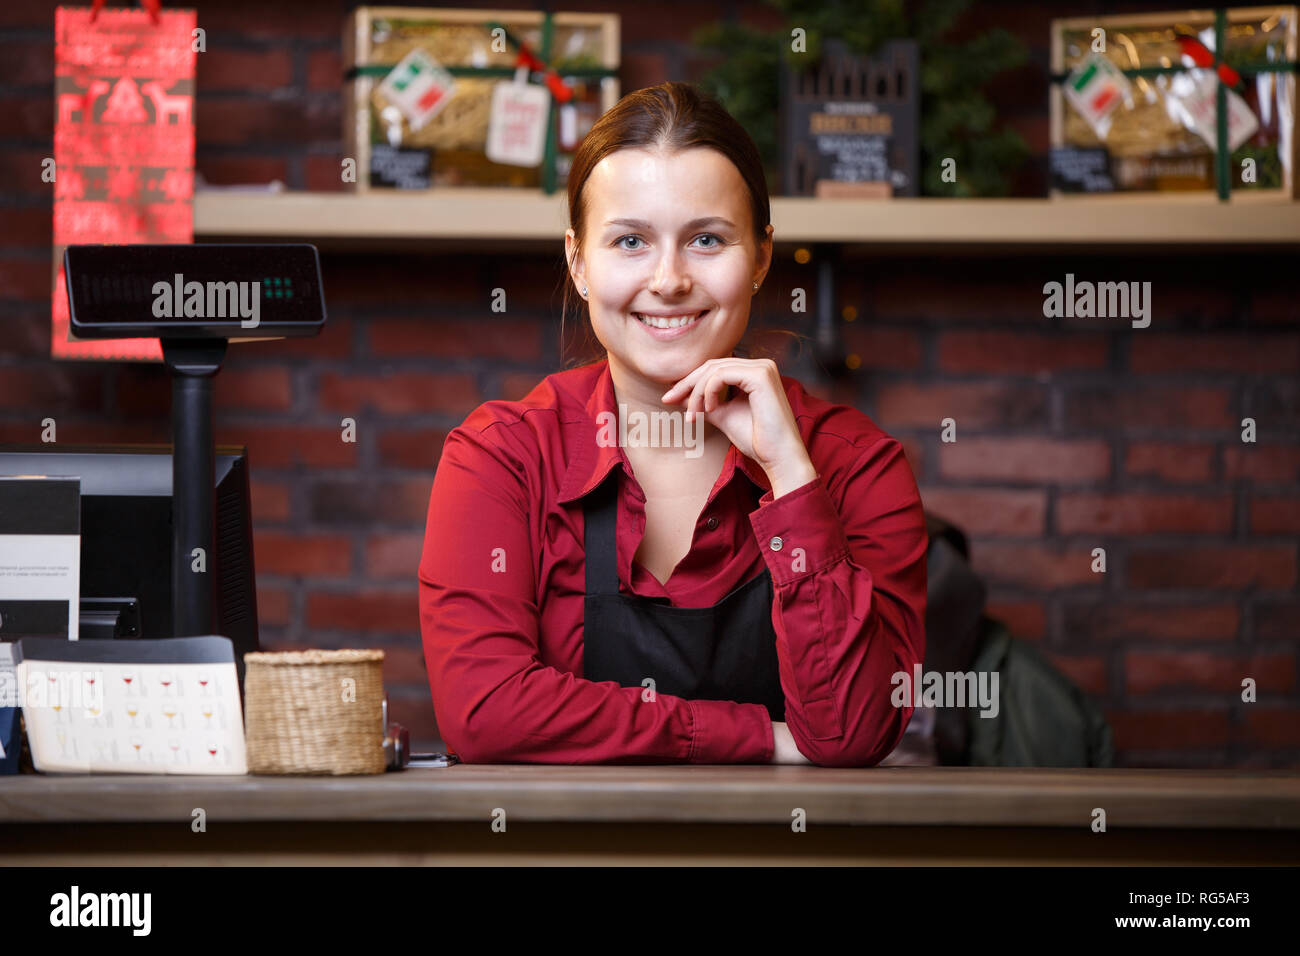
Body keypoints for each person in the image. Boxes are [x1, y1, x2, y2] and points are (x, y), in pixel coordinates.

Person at [419, 81, 927, 766]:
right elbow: (484, 714)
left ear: (762, 257)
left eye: (707, 240)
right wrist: (759, 738)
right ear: (578, 262)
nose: (669, 279)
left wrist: (792, 482)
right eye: (630, 241)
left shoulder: (855, 463)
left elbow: (855, 732)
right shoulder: (502, 456)